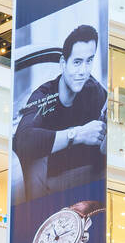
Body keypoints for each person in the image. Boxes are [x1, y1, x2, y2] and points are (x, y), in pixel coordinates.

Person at [12, 24, 108, 200]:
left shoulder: (94, 92)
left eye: (89, 61)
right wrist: (78, 134)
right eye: (77, 62)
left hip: (89, 190)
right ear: (63, 63)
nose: (83, 71)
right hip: (48, 195)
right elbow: (24, 140)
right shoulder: (44, 95)